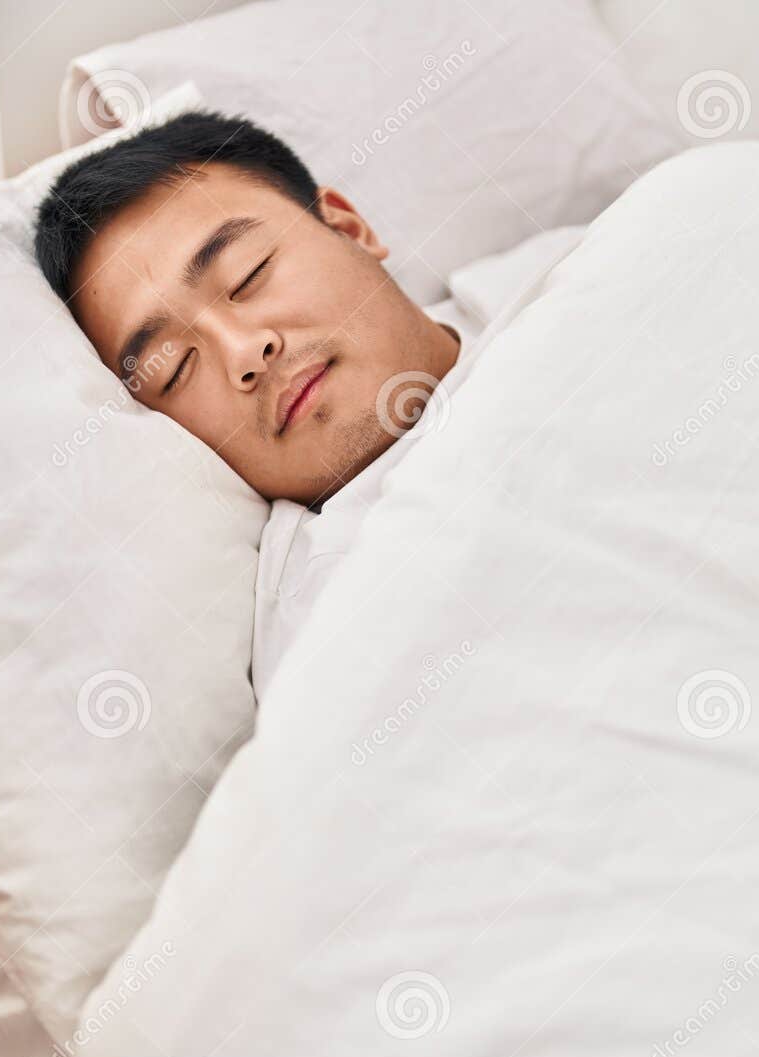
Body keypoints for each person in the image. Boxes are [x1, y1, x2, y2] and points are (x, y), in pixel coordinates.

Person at [35, 111, 517, 694]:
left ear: (348, 225)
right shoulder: (326, 642)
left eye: (247, 274)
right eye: (175, 366)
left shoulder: (592, 266)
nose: (245, 352)